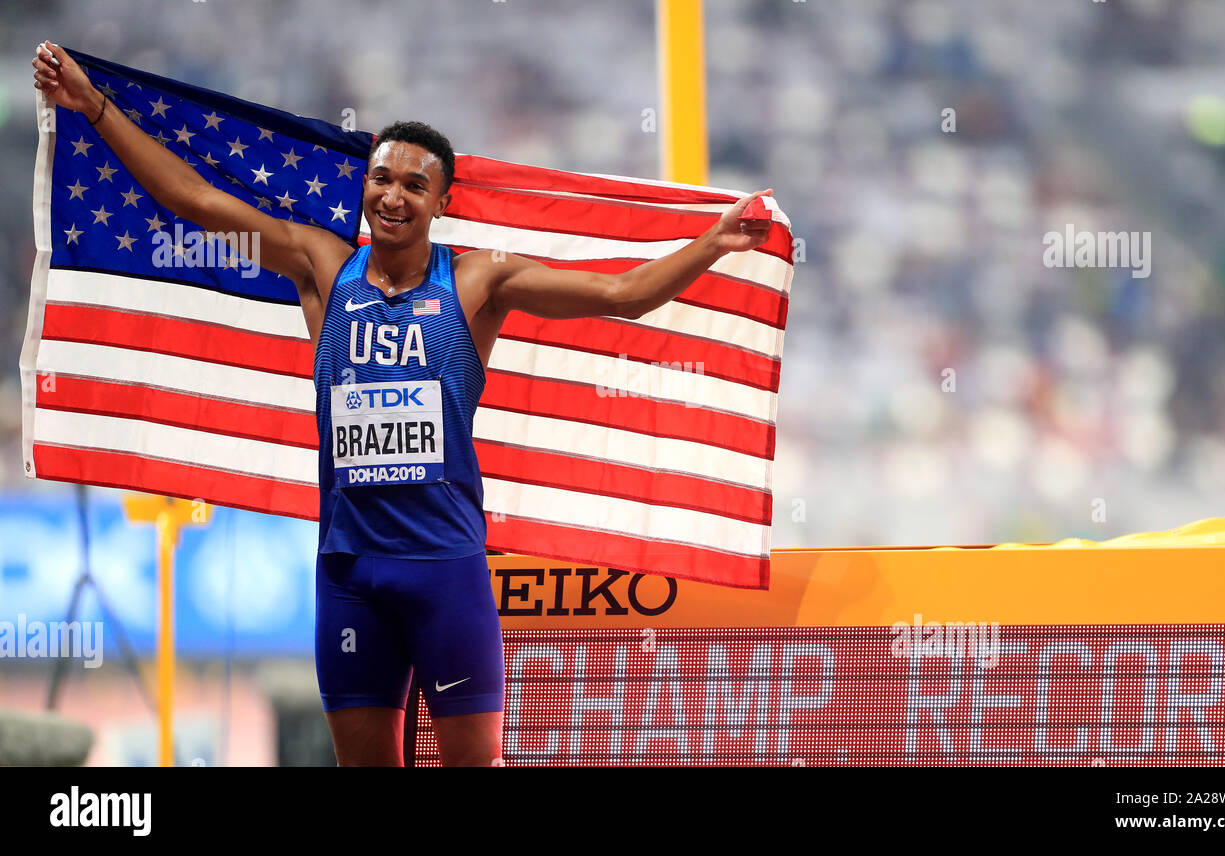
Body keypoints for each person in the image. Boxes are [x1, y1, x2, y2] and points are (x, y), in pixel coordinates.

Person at [33, 40, 773, 766]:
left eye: (414, 186)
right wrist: (92, 105)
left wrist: (713, 242)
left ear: (441, 203)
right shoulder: (322, 266)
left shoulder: (479, 282)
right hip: (350, 573)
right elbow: (193, 200)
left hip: (445, 571)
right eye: (382, 178)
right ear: (366, 188)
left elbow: (624, 295)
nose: (393, 194)